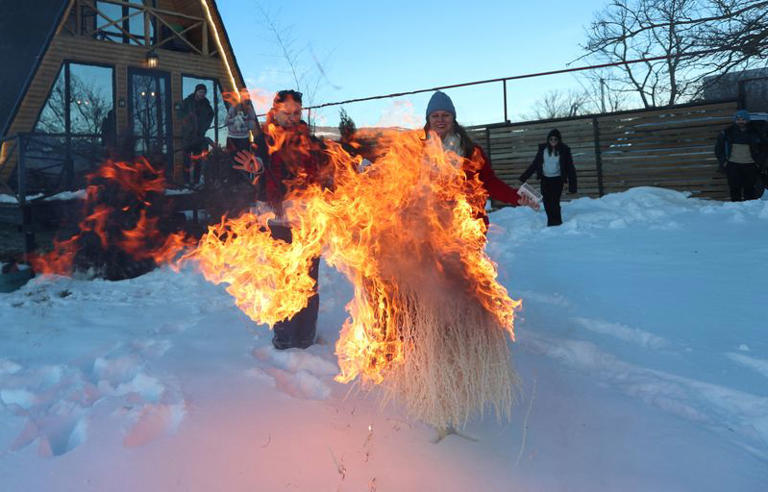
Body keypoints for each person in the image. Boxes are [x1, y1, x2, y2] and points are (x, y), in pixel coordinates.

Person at [233, 89, 328, 350]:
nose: (292, 117)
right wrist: (256, 168)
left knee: (308, 280)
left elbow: (323, 173)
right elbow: (256, 164)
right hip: (278, 220)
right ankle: (285, 336)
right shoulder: (263, 140)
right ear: (275, 112)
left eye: (296, 113)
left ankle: (306, 335)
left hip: (308, 220)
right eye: (287, 113)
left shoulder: (310, 141)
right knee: (285, 278)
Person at [423, 91, 539, 220]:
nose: (440, 120)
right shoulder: (414, 149)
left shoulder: (471, 150)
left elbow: (490, 182)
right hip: (427, 225)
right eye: (435, 115)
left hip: (466, 224)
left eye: (446, 115)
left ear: (453, 118)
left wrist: (516, 197)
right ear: (429, 119)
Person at [519, 128, 578, 226]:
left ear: (559, 140)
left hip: (558, 179)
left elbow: (570, 168)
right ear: (548, 140)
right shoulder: (543, 150)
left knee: (554, 201)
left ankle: (557, 222)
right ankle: (551, 222)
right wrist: (523, 177)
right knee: (546, 202)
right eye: (551, 139)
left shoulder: (564, 150)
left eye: (555, 139)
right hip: (545, 179)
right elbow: (535, 164)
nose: (553, 141)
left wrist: (573, 186)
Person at [715, 110, 765, 201]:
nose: (741, 121)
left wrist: (759, 162)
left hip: (750, 165)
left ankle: (749, 209)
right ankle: (736, 208)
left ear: (747, 120)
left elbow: (763, 148)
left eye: (743, 119)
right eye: (738, 119)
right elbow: (718, 149)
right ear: (735, 120)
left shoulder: (756, 133)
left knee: (749, 188)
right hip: (732, 164)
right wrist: (724, 161)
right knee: (734, 188)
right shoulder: (727, 132)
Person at [180, 83, 214, 186]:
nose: (202, 94)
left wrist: (204, 127)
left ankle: (195, 181)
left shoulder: (206, 105)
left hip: (199, 136)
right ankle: (186, 182)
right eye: (200, 92)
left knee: (197, 160)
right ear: (196, 91)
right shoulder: (188, 102)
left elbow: (211, 116)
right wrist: (186, 123)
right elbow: (180, 113)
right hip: (188, 135)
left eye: (204, 92)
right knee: (186, 159)